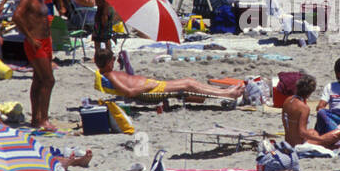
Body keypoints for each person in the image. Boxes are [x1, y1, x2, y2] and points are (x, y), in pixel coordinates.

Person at [95, 49, 245, 102]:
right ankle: (227, 94)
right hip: (151, 90)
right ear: (108, 62)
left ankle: (225, 92)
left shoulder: (109, 73)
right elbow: (129, 92)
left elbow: (128, 80)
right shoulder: (111, 75)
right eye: (113, 59)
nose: (114, 61)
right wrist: (147, 86)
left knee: (189, 81)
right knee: (188, 85)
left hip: (151, 85)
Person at [12, 0, 55, 131]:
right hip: (35, 43)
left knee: (38, 80)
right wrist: (30, 37)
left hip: (45, 41)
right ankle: (43, 119)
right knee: (49, 80)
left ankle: (36, 118)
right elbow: (16, 16)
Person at [282, 73, 340, 150]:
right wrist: (321, 139)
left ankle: (325, 144)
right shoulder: (304, 108)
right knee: (339, 132)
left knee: (313, 132)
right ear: (310, 92)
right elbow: (302, 132)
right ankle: (327, 146)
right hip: (299, 145)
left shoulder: (287, 100)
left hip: (288, 142)